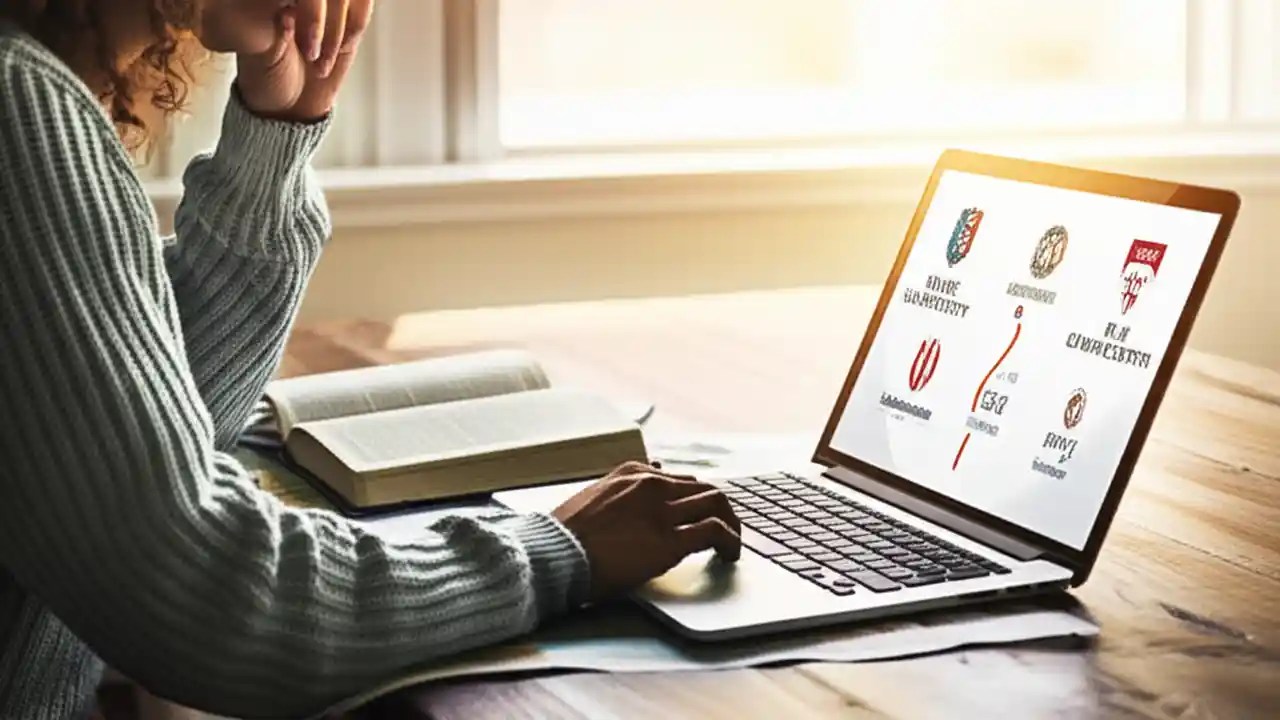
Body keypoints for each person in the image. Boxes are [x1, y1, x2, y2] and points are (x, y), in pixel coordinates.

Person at [0, 1, 742, 718]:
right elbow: (205, 597)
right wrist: (556, 554)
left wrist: (277, 129)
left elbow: (133, 426)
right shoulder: (17, 103)